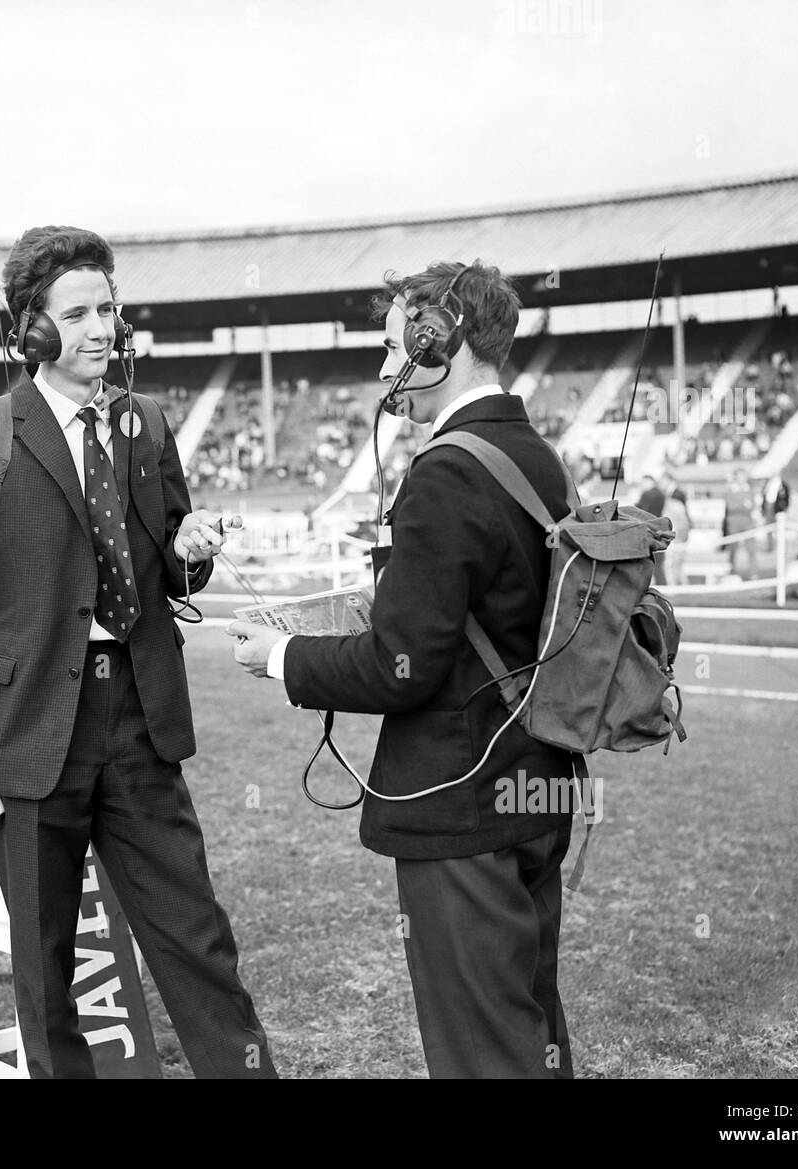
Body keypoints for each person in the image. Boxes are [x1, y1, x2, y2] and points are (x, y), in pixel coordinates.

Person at [0, 225, 275, 1080]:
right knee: (45, 971)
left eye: (107, 308)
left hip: (142, 719)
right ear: (31, 330)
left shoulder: (147, 423)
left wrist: (192, 545)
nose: (99, 327)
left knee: (196, 937)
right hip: (32, 729)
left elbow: (169, 563)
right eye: (75, 312)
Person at [230, 260, 579, 1078]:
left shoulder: (447, 470)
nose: (385, 368)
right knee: (531, 1023)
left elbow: (401, 666)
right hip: (540, 781)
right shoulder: (534, 454)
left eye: (394, 346)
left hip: (462, 802)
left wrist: (283, 657)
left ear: (439, 341)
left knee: (482, 1051)